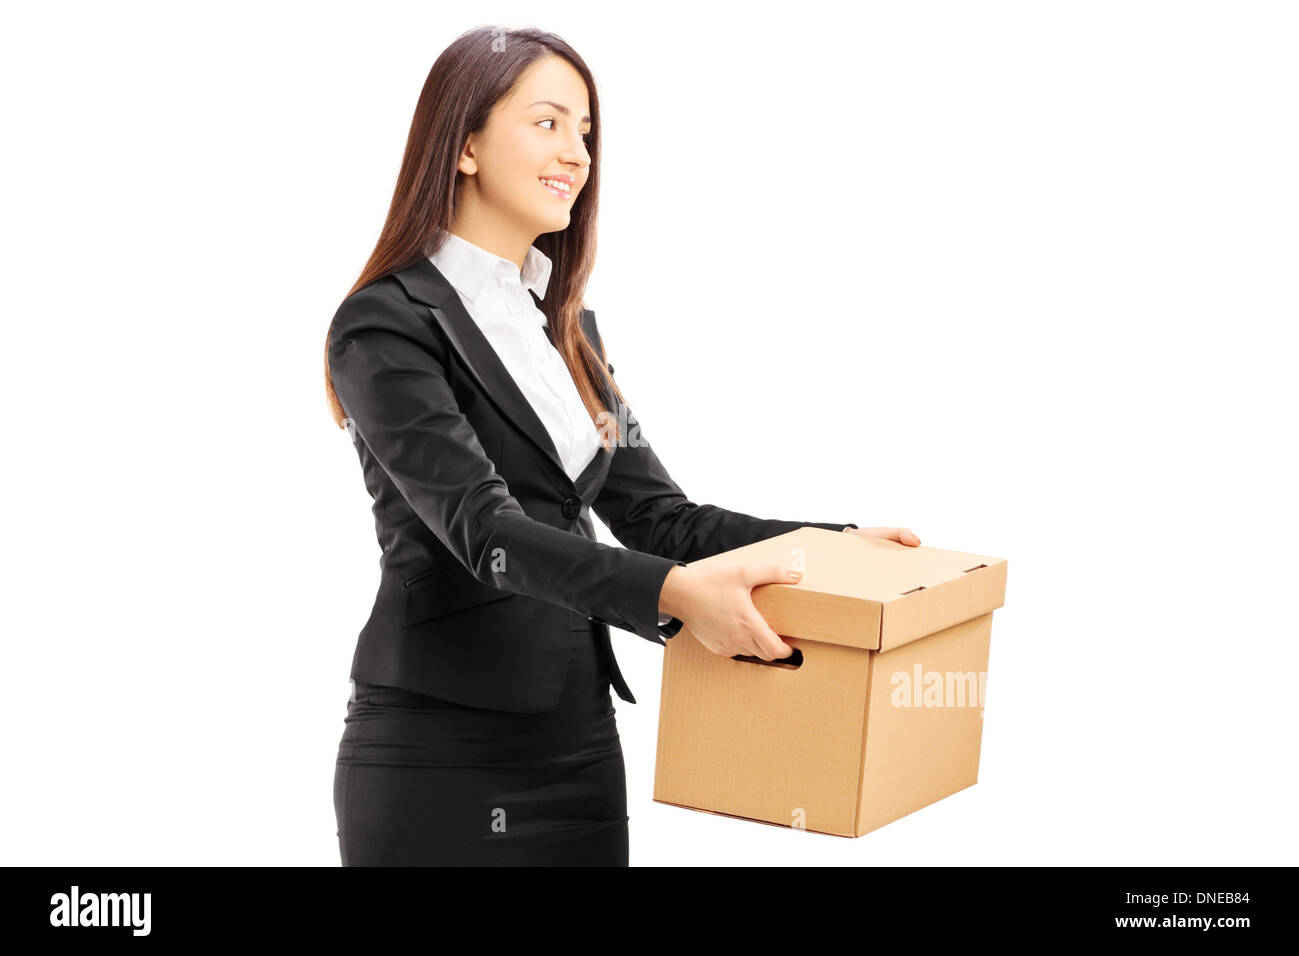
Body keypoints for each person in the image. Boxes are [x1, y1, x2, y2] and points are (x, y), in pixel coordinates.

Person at [323, 25, 920, 866]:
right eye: (549, 123)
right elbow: (485, 534)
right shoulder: (386, 324)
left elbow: (659, 517)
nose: (577, 153)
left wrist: (830, 547)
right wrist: (677, 596)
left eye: (587, 133)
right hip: (438, 748)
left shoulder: (568, 336)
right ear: (463, 145)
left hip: (578, 743)